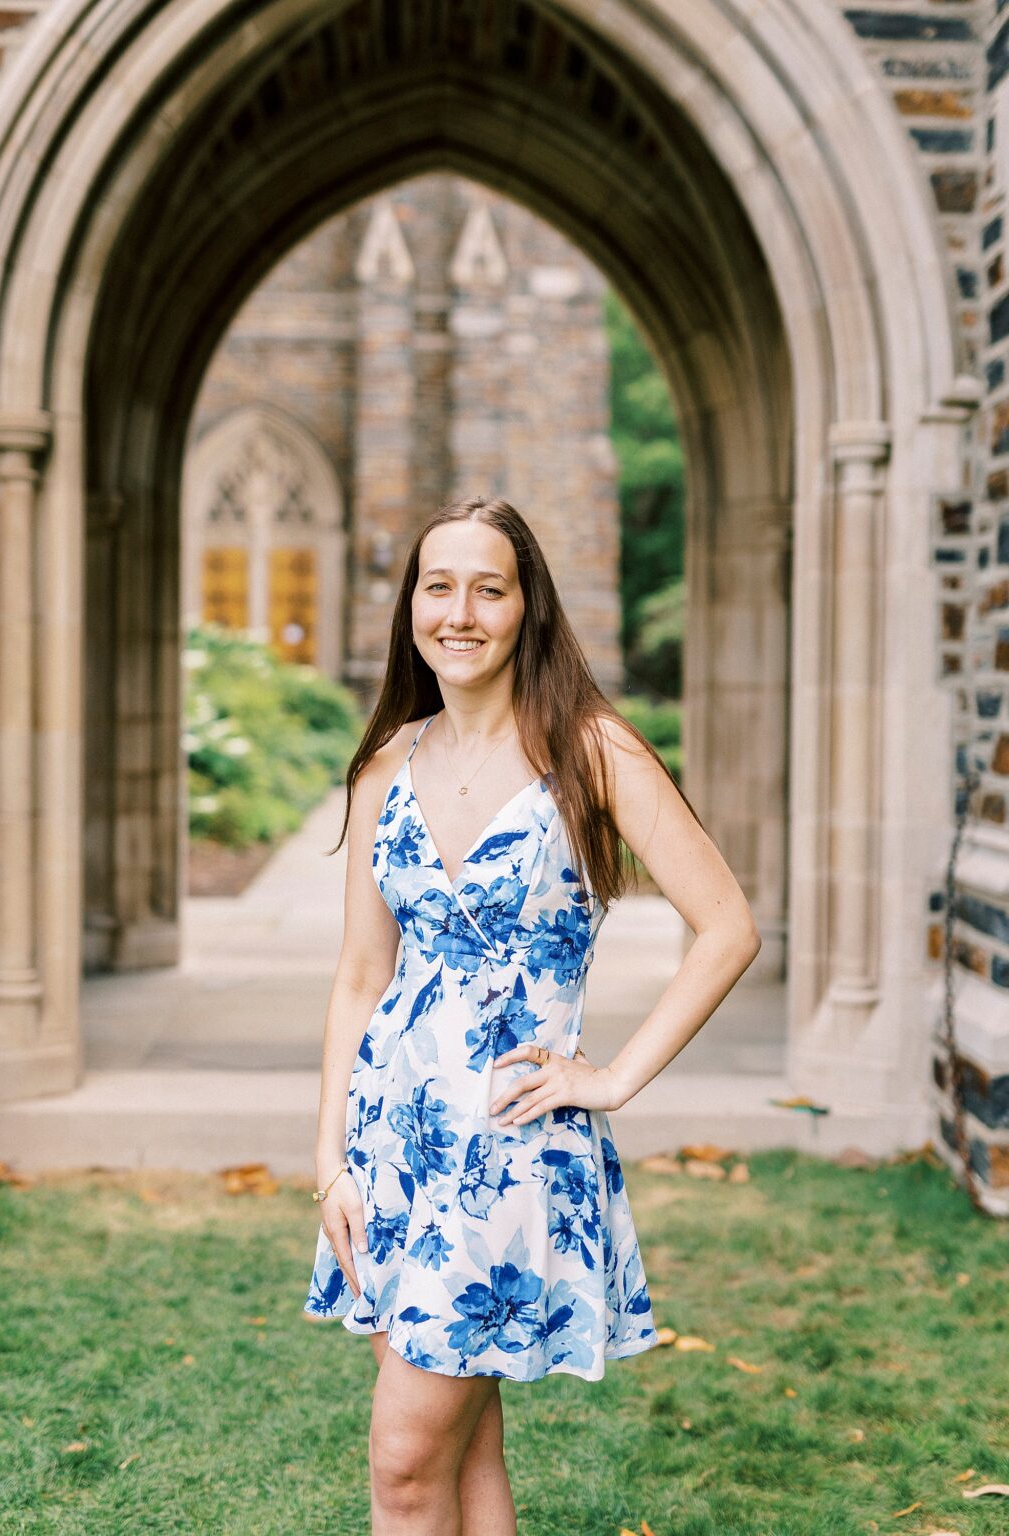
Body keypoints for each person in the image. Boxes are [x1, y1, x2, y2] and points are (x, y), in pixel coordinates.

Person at [304, 494, 761, 1534]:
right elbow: (358, 975)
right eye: (437, 586)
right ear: (410, 607)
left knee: (405, 1465)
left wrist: (611, 1079)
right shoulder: (386, 766)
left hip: (510, 1147)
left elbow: (727, 925)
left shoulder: (589, 750)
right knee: (463, 1459)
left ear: (526, 609)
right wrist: (329, 1155)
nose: (458, 612)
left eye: (487, 588)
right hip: (392, 1143)